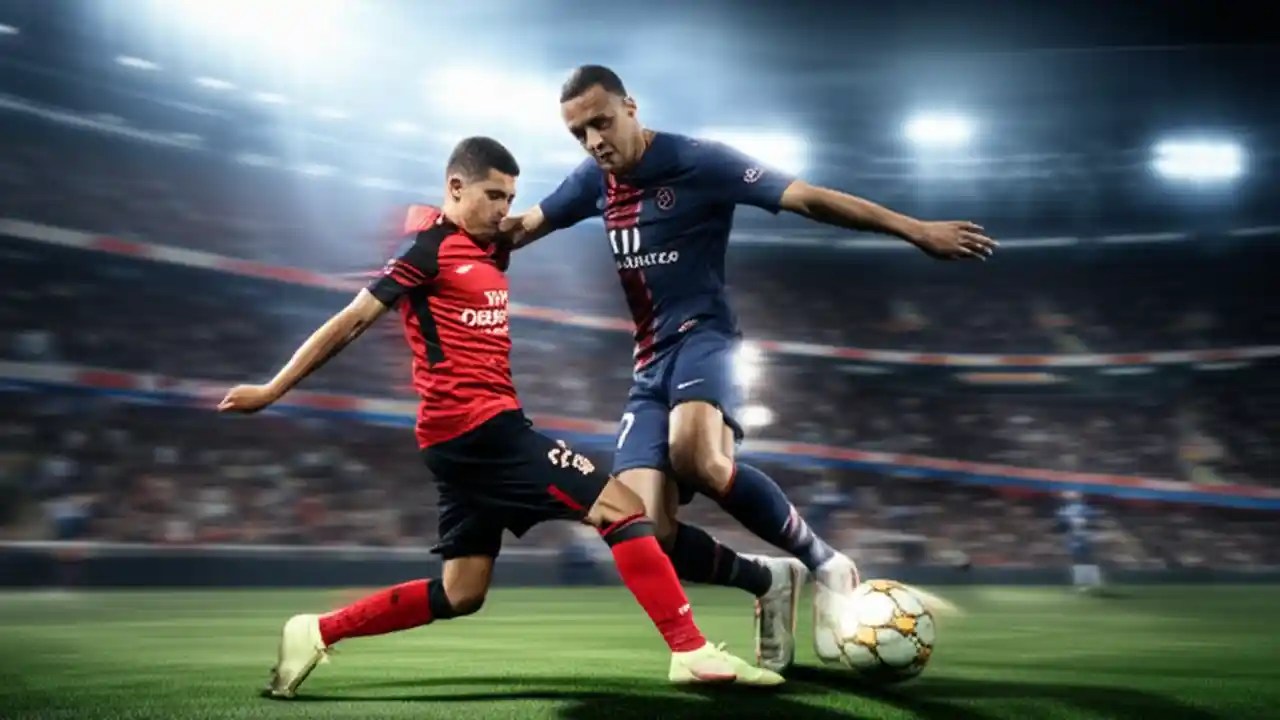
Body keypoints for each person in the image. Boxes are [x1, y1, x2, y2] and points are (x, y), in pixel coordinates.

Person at [217, 136, 783, 698]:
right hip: (481, 430)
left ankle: (314, 631)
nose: (504, 211)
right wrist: (272, 388)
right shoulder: (427, 250)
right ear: (455, 188)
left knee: (461, 593)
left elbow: (543, 219)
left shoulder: (489, 247)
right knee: (623, 507)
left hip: (455, 441)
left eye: (510, 198)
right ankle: (689, 648)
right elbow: (352, 320)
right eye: (493, 196)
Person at [500, 65, 997, 670]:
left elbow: (808, 197)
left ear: (631, 107)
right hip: (649, 367)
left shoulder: (699, 161)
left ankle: (827, 564)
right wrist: (444, 240)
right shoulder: (592, 180)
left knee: (696, 456)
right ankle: (768, 579)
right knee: (640, 531)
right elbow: (524, 226)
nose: (594, 141)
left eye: (602, 122)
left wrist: (914, 229)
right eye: (579, 133)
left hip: (706, 341)